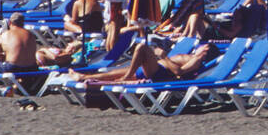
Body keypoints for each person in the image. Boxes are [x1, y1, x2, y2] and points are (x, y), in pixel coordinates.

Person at [73, 40, 218, 85]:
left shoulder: (196, 60)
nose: (200, 46)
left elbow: (179, 72)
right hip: (155, 67)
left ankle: (128, 76)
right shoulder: (191, 55)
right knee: (110, 74)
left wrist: (164, 57)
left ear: (205, 51)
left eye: (203, 46)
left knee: (142, 46)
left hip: (159, 73)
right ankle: (82, 77)